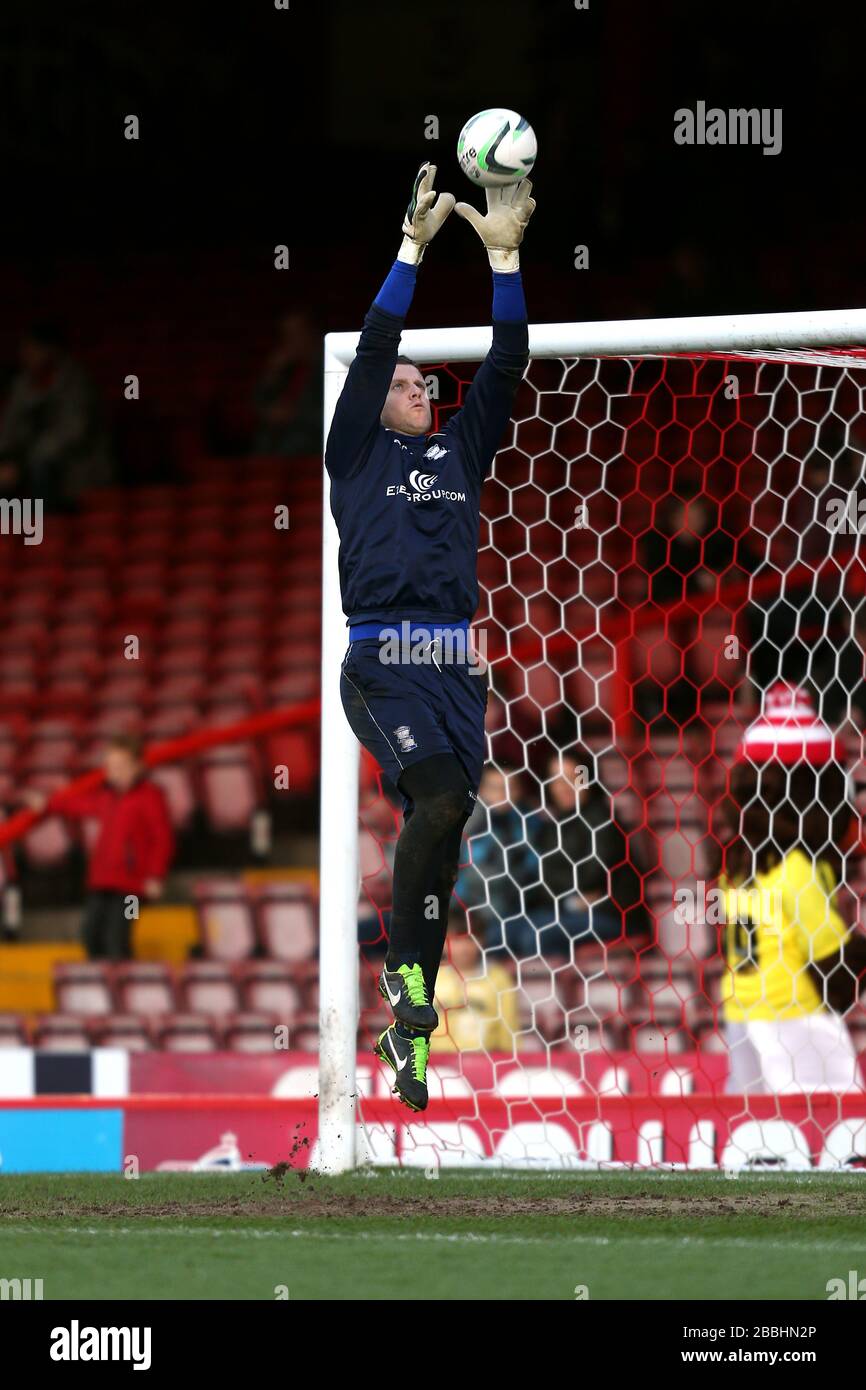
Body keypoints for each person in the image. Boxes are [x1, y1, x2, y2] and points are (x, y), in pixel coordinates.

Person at [325, 161, 534, 1111]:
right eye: (403, 380)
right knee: (444, 799)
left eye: (420, 381)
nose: (416, 385)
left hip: (452, 661)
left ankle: (407, 1018)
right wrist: (410, 247)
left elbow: (507, 361)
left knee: (441, 829)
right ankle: (405, 988)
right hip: (383, 659)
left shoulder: (458, 449)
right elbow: (373, 344)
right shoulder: (355, 451)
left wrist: (504, 261)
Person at [714, 683, 866, 1093]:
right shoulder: (796, 869)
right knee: (836, 1129)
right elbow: (831, 956)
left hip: (740, 1006)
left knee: (750, 1122)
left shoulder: (737, 866)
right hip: (791, 1011)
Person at [24, 735, 174, 961]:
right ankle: (103, 984)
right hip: (101, 882)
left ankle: (124, 988)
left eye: (122, 766)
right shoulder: (107, 796)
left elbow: (163, 839)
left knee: (119, 936)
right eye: (111, 767)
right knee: (90, 934)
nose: (115, 772)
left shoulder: (151, 797)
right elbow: (77, 805)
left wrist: (155, 875)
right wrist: (47, 804)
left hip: (133, 889)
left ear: (138, 766)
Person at [524, 749, 648, 957]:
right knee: (502, 934)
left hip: (610, 914)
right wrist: (571, 901)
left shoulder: (603, 821)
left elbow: (590, 876)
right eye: (556, 780)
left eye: (573, 778)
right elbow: (542, 881)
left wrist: (562, 892)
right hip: (564, 912)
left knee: (535, 937)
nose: (564, 787)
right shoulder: (550, 827)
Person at [0, 322, 112, 511]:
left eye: (32, 349)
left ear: (51, 350)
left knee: (41, 465)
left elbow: (74, 432)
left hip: (74, 469)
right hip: (27, 464)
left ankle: (48, 528)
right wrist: (6, 460)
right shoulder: (22, 386)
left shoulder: (76, 381)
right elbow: (9, 432)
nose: (26, 355)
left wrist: (23, 464)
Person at [429, 912, 518, 1055]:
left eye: (470, 939)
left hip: (483, 1063)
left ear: (482, 941)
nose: (464, 948)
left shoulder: (498, 978)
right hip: (434, 1064)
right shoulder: (428, 977)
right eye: (457, 940)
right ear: (443, 942)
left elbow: (508, 1029)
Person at [252, 309, 323, 456]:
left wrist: (293, 415)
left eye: (298, 334)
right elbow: (259, 405)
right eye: (287, 335)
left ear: (311, 333)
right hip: (276, 441)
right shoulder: (284, 369)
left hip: (310, 442)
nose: (292, 341)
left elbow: (326, 412)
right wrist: (272, 374)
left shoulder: (327, 366)